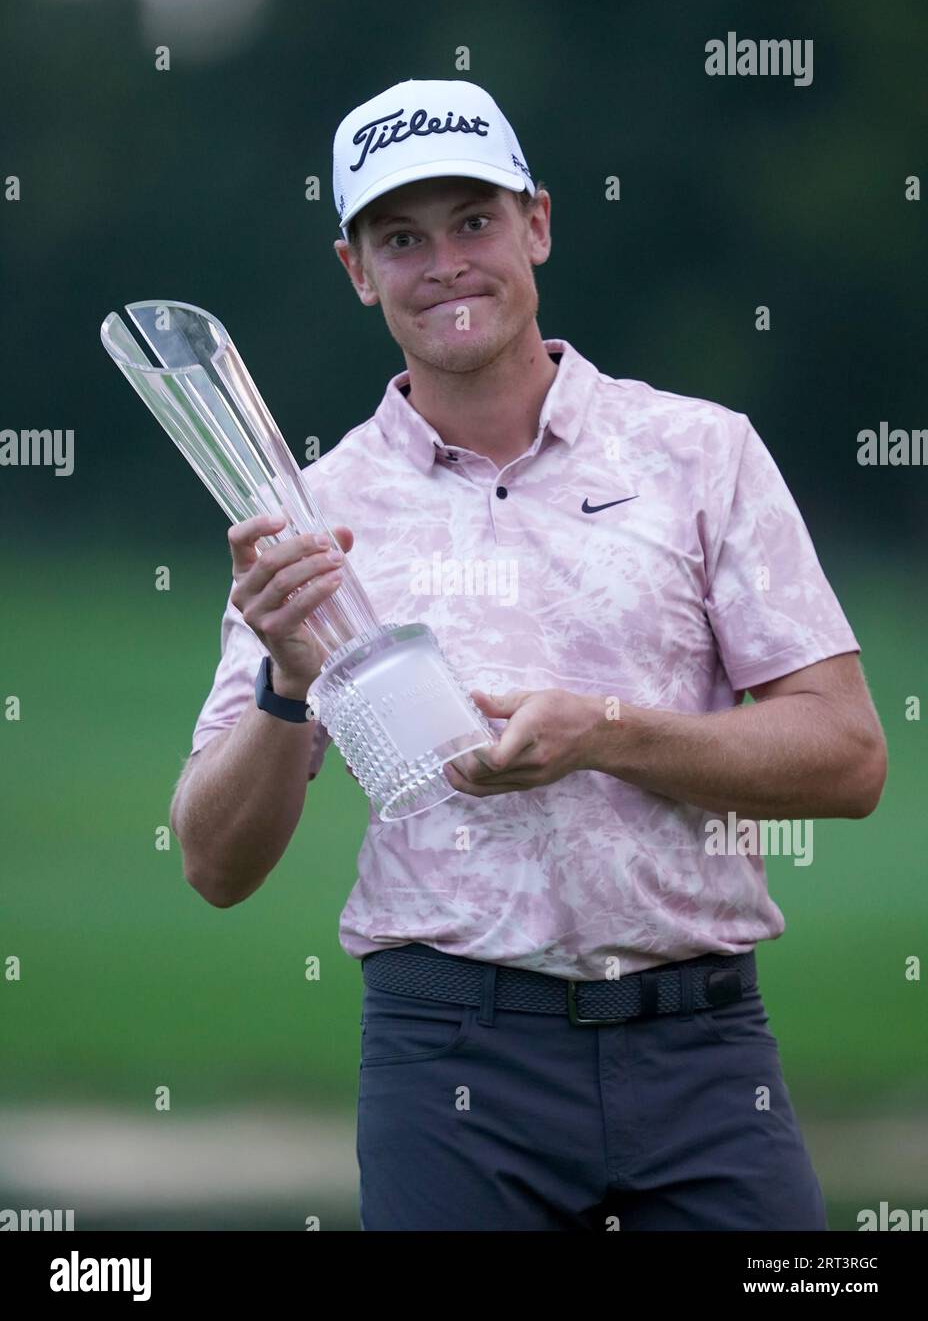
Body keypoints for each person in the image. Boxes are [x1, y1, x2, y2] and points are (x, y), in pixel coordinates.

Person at [170, 78, 887, 1231]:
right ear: (357, 270)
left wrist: (604, 736)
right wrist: (286, 682)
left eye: (474, 221)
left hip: (703, 1047)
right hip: (448, 1055)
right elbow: (215, 864)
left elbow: (848, 759)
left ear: (537, 224)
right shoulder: (313, 512)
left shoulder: (699, 453)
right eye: (400, 237)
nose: (444, 262)